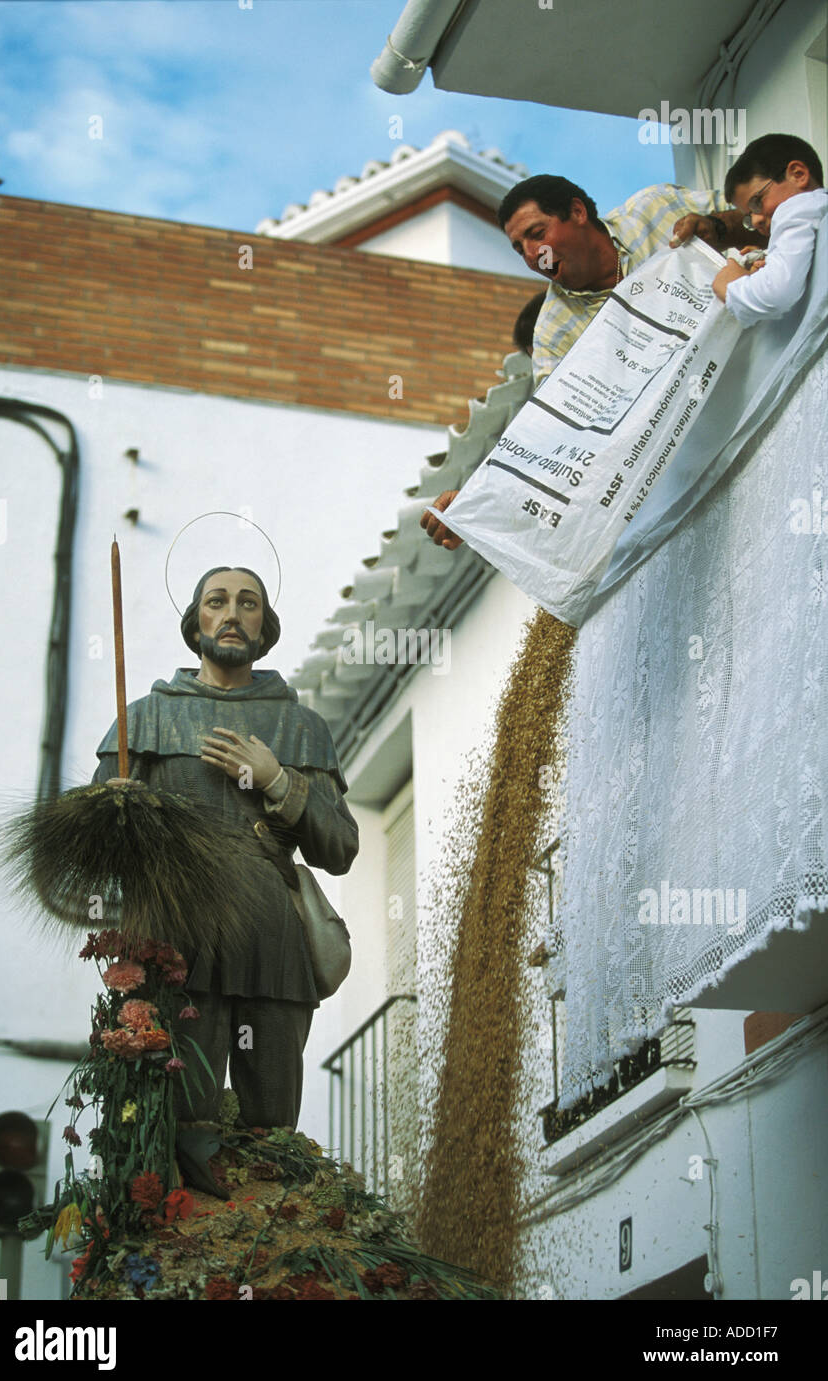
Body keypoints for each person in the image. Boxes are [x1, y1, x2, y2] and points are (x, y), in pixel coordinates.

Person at [93, 566, 358, 1194]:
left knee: (273, 1117)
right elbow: (95, 843)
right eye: (217, 602)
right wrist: (119, 808)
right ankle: (192, 1250)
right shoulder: (147, 720)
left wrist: (277, 781)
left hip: (272, 934)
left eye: (248, 603)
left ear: (265, 626)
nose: (233, 613)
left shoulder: (302, 728)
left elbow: (341, 846)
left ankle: (275, 1243)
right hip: (183, 932)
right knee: (187, 1111)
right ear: (196, 623)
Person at [421, 173, 763, 550]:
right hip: (713, 459)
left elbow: (765, 215)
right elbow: (558, 436)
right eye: (520, 249)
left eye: (537, 233)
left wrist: (717, 227)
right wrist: (475, 505)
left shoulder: (654, 209)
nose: (533, 255)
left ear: (578, 212)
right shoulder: (552, 335)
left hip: (768, 377)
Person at [711, 134, 826, 325]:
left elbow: (776, 294)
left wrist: (732, 285)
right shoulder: (816, 215)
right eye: (748, 216)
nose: (755, 221)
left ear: (798, 174)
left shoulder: (798, 206)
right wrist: (768, 261)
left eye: (757, 202)